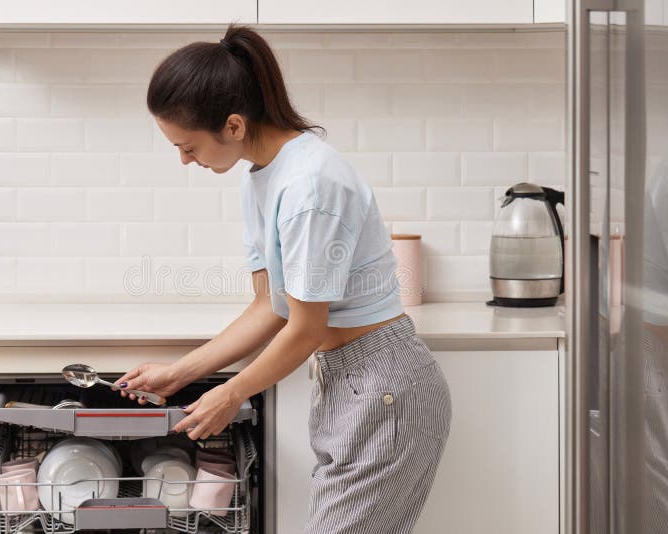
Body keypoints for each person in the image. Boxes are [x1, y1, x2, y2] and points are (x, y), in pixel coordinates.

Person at [115, 23, 452, 533]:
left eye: (188, 146)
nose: (185, 160)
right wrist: (182, 372)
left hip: (385, 390)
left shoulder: (309, 185)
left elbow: (305, 328)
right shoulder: (260, 177)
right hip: (349, 385)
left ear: (232, 125)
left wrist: (230, 395)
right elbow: (269, 306)